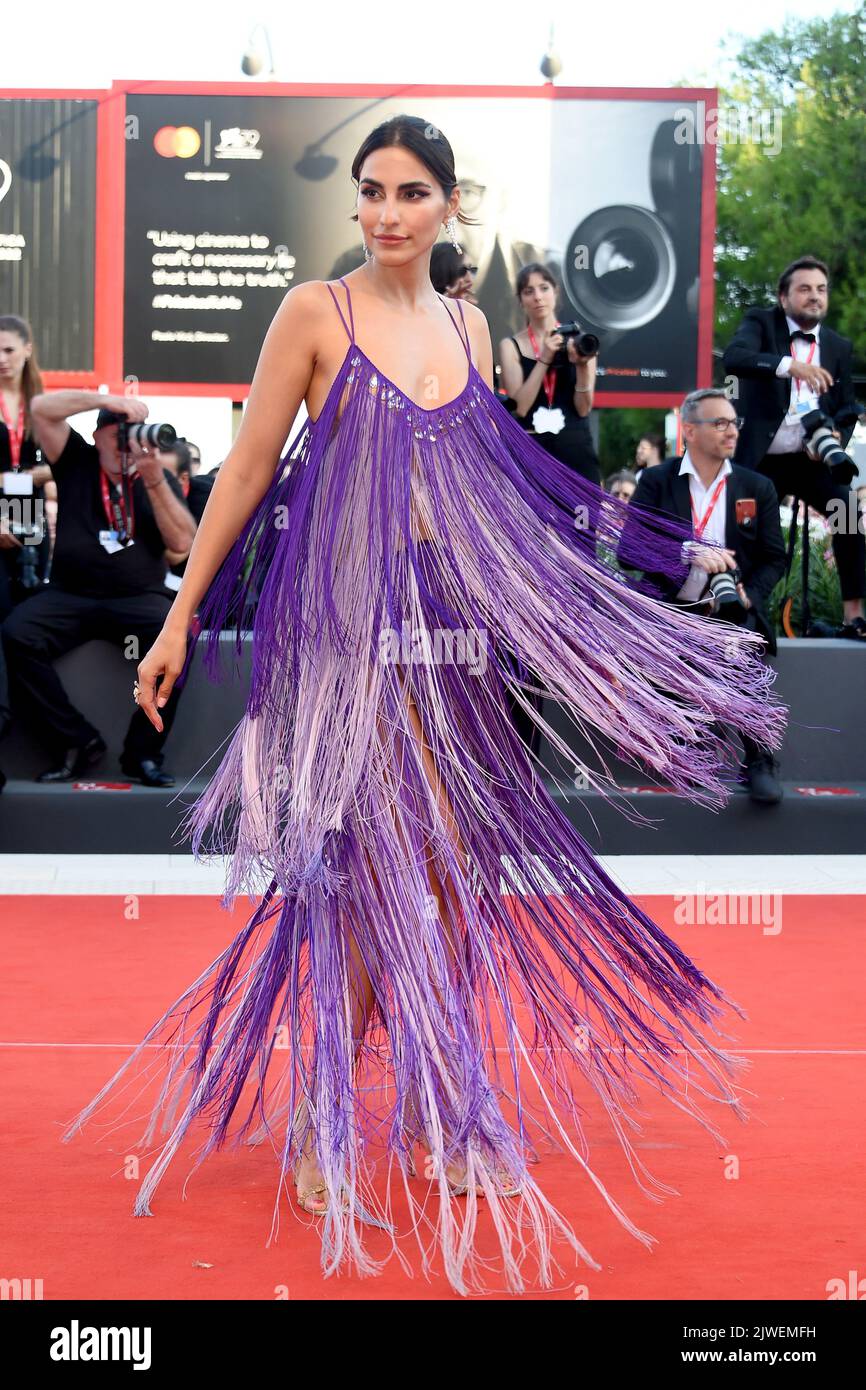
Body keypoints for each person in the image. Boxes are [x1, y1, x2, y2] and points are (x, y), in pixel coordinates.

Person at [62, 115, 786, 1298]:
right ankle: (323, 1120)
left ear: (449, 205)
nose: (386, 212)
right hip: (353, 637)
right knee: (372, 875)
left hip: (455, 634)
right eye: (369, 192)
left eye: (409, 192)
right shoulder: (315, 312)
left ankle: (439, 1106)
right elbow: (246, 467)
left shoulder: (466, 321)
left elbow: (489, 483)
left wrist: (575, 593)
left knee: (454, 876)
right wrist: (183, 614)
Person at [1, 399, 196, 786]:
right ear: (97, 436)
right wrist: (107, 400)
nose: (124, 444)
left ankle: (142, 755)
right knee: (18, 633)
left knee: (178, 637)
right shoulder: (77, 460)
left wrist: (154, 478)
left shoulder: (154, 476)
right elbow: (42, 408)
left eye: (132, 435)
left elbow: (184, 542)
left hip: (139, 596)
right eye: (116, 434)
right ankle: (76, 740)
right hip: (69, 594)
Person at [625, 390, 787, 803]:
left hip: (735, 613)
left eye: (734, 422)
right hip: (674, 610)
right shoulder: (656, 482)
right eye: (720, 423)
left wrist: (750, 593)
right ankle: (695, 751)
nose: (731, 430)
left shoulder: (757, 486)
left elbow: (773, 558)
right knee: (677, 655)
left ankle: (760, 761)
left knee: (745, 652)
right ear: (690, 431)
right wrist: (687, 552)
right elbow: (629, 549)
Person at [722, 254, 865, 641]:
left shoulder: (838, 345)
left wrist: (835, 439)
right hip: (761, 460)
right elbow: (735, 359)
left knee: (848, 513)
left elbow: (850, 407)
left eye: (821, 290)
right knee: (744, 533)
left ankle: (855, 614)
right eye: (805, 289)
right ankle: (738, 612)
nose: (814, 297)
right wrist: (790, 366)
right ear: (784, 298)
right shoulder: (760, 323)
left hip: (810, 460)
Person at [498, 263, 600, 486]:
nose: (538, 297)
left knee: (582, 521)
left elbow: (583, 408)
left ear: (555, 292)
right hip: (532, 454)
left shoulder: (580, 341)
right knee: (530, 521)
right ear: (520, 300)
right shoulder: (511, 346)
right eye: (528, 291)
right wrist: (544, 358)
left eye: (544, 288)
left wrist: (582, 366)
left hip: (575, 454)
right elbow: (521, 407)